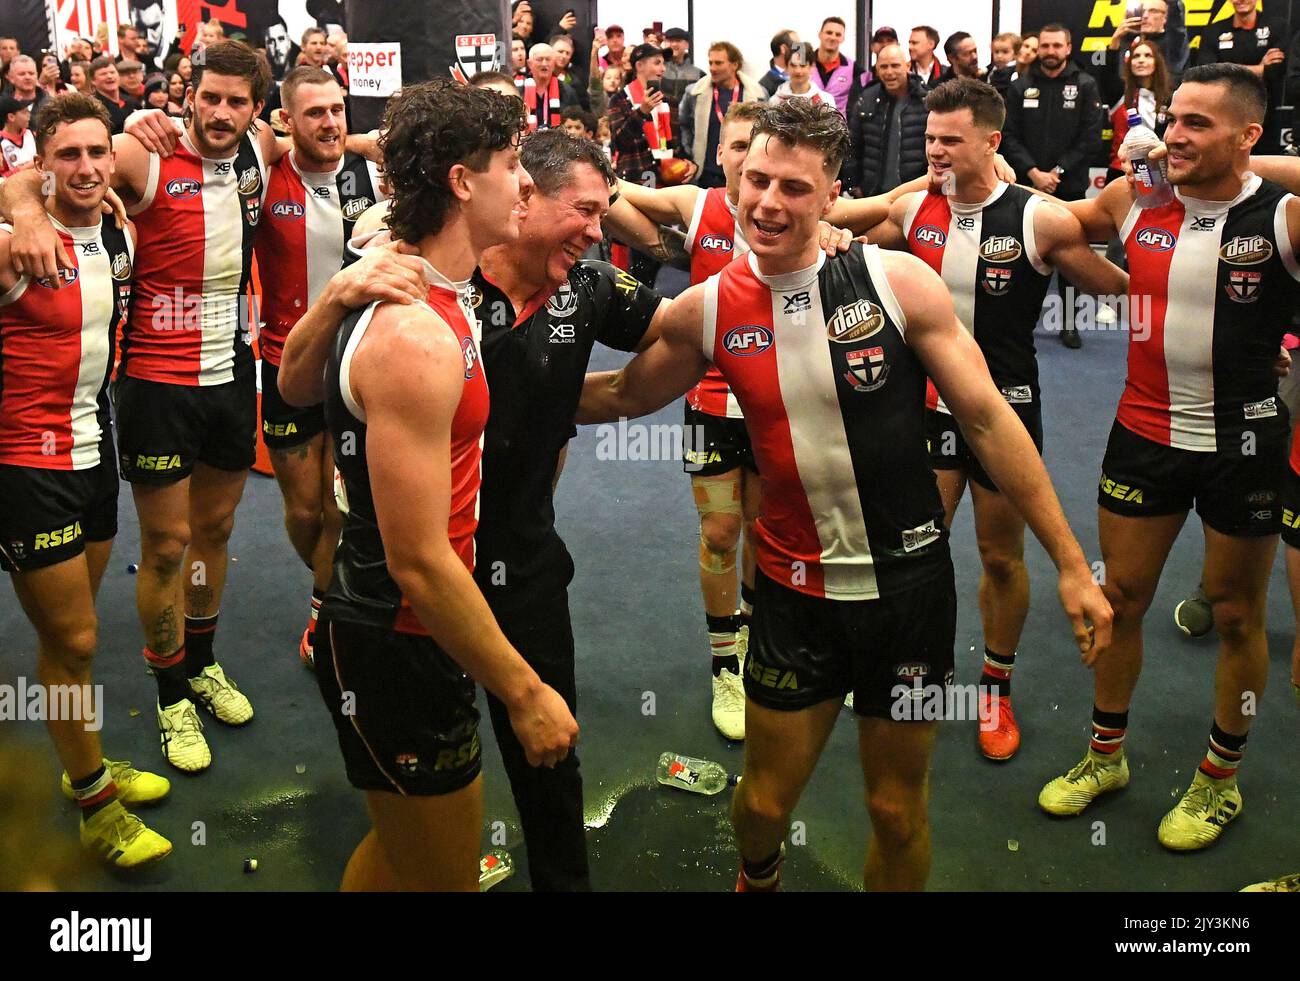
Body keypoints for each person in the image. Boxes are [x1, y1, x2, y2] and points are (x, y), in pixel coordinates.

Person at [578, 98, 1110, 891]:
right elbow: (621, 394)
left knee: (896, 811)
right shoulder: (709, 308)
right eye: (756, 179)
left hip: (909, 592)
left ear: (833, 196)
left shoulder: (897, 283)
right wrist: (489, 376)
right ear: (733, 175)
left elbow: (990, 421)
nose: (767, 202)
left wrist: (1071, 561)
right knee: (759, 807)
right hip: (793, 600)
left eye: (794, 188)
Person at [5, 40, 373, 773]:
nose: (220, 113)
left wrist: (365, 136)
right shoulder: (145, 152)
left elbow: (329, 135)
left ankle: (201, 660)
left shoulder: (261, 149)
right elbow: (42, 166)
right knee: (167, 545)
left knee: (215, 528)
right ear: (190, 94)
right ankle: (169, 688)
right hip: (157, 382)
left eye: (236, 101)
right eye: (208, 97)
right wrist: (26, 211)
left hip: (233, 373)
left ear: (255, 109)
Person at [287, 80, 579, 892]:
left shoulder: (419, 279)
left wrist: (342, 290)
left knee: (403, 854)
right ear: (461, 181)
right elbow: (418, 559)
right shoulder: (415, 330)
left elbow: (295, 386)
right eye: (513, 164)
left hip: (412, 630)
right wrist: (524, 691)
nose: (528, 182)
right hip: (398, 633)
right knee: (439, 874)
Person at [1035, 63, 1299, 852]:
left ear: (1249, 136)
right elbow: (1047, 227)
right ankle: (1104, 753)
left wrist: (1257, 167)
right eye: (1171, 119)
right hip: (1143, 433)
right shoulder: (1137, 200)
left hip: (1243, 442)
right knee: (1122, 598)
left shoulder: (1282, 217)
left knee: (1235, 612)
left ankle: (1219, 778)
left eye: (1198, 124)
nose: (1172, 135)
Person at [606, 98, 912, 739]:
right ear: (724, 156)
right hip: (711, 400)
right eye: (741, 150)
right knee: (720, 532)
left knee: (768, 530)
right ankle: (725, 661)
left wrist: (958, 174)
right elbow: (614, 196)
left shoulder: (813, 216)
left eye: (763, 150)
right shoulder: (701, 205)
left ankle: (761, 634)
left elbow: (888, 208)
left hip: (785, 400)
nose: (753, 164)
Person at [863, 78, 1129, 759]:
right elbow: (840, 223)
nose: (937, 151)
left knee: (999, 555)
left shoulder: (1038, 217)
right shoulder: (915, 206)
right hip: (920, 409)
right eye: (930, 138)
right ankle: (913, 669)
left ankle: (995, 688)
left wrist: (1249, 331)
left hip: (1004, 413)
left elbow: (1120, 288)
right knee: (916, 550)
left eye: (951, 140)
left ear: (991, 142)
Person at [0, 92, 171, 868]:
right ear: (40, 163)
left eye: (98, 152)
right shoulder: (13, 247)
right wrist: (20, 210)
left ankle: (85, 770)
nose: (89, 167)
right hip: (24, 464)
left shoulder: (114, 228)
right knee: (73, 637)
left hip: (93, 449)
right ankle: (95, 804)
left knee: (70, 640)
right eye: (68, 154)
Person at [251, 67, 385, 669]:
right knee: (305, 512)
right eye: (314, 113)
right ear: (287, 120)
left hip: (356, 367)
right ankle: (334, 581)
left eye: (338, 109)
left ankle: (324, 611)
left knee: (340, 507)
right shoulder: (261, 172)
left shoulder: (375, 171)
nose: (331, 122)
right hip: (286, 367)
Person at [1000, 24, 1103, 349]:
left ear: (1068, 48)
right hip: (1025, 186)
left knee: (1070, 260)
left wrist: (1056, 171)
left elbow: (1090, 137)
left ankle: (1069, 325)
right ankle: (1017, 324)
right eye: (1045, 45)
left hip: (1068, 186)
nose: (1050, 51)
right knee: (1020, 256)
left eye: (1056, 45)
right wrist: (1032, 171)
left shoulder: (1085, 84)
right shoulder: (1020, 86)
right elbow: (1009, 135)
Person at [844, 43, 928, 198]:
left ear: (907, 66)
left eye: (895, 66)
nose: (889, 72)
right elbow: (852, 147)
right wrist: (853, 185)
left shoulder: (926, 102)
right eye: (884, 67)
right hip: (871, 195)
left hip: (915, 196)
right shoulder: (866, 99)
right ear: (877, 69)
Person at [679, 42, 763, 189]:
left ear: (734, 65)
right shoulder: (694, 94)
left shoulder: (757, 95)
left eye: (718, 63)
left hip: (743, 175)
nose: (712, 68)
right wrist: (688, 153)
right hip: (704, 177)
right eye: (710, 63)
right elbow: (683, 124)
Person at [1107, 40, 1171, 183]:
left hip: (1158, 170)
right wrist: (1117, 38)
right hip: (1122, 171)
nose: (1141, 60)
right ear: (1129, 63)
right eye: (1136, 56)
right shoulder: (1119, 93)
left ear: (1157, 62)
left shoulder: (1169, 98)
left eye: (1147, 55)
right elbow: (1108, 72)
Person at [519, 43, 581, 131]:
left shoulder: (567, 91)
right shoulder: (519, 91)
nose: (544, 64)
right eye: (539, 60)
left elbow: (576, 122)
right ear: (529, 63)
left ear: (554, 63)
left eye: (548, 59)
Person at [812, 16, 863, 116]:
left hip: (838, 129)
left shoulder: (853, 68)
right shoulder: (804, 64)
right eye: (829, 33)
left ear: (843, 38)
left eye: (838, 34)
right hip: (807, 128)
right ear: (820, 34)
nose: (833, 37)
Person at [660, 27, 703, 131]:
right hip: (662, 125)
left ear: (687, 44)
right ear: (665, 43)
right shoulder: (657, 71)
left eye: (678, 41)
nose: (674, 44)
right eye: (670, 41)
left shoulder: (698, 74)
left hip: (688, 128)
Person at [769, 42, 833, 107]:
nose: (798, 71)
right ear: (786, 67)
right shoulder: (775, 102)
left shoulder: (826, 101)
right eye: (793, 65)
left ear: (811, 66)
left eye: (803, 65)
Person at [87, 56, 129, 134]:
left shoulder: (131, 101)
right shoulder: (92, 108)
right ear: (93, 80)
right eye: (103, 74)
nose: (109, 76)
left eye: (112, 72)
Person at [0, 95, 34, 177]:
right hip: (14, 187)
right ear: (11, 117)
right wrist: (28, 166)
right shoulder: (1, 143)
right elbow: (2, 178)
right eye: (25, 112)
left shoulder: (32, 134)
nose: (29, 115)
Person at [760, 29, 800, 98]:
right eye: (797, 46)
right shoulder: (764, 87)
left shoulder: (804, 77)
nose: (800, 51)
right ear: (783, 49)